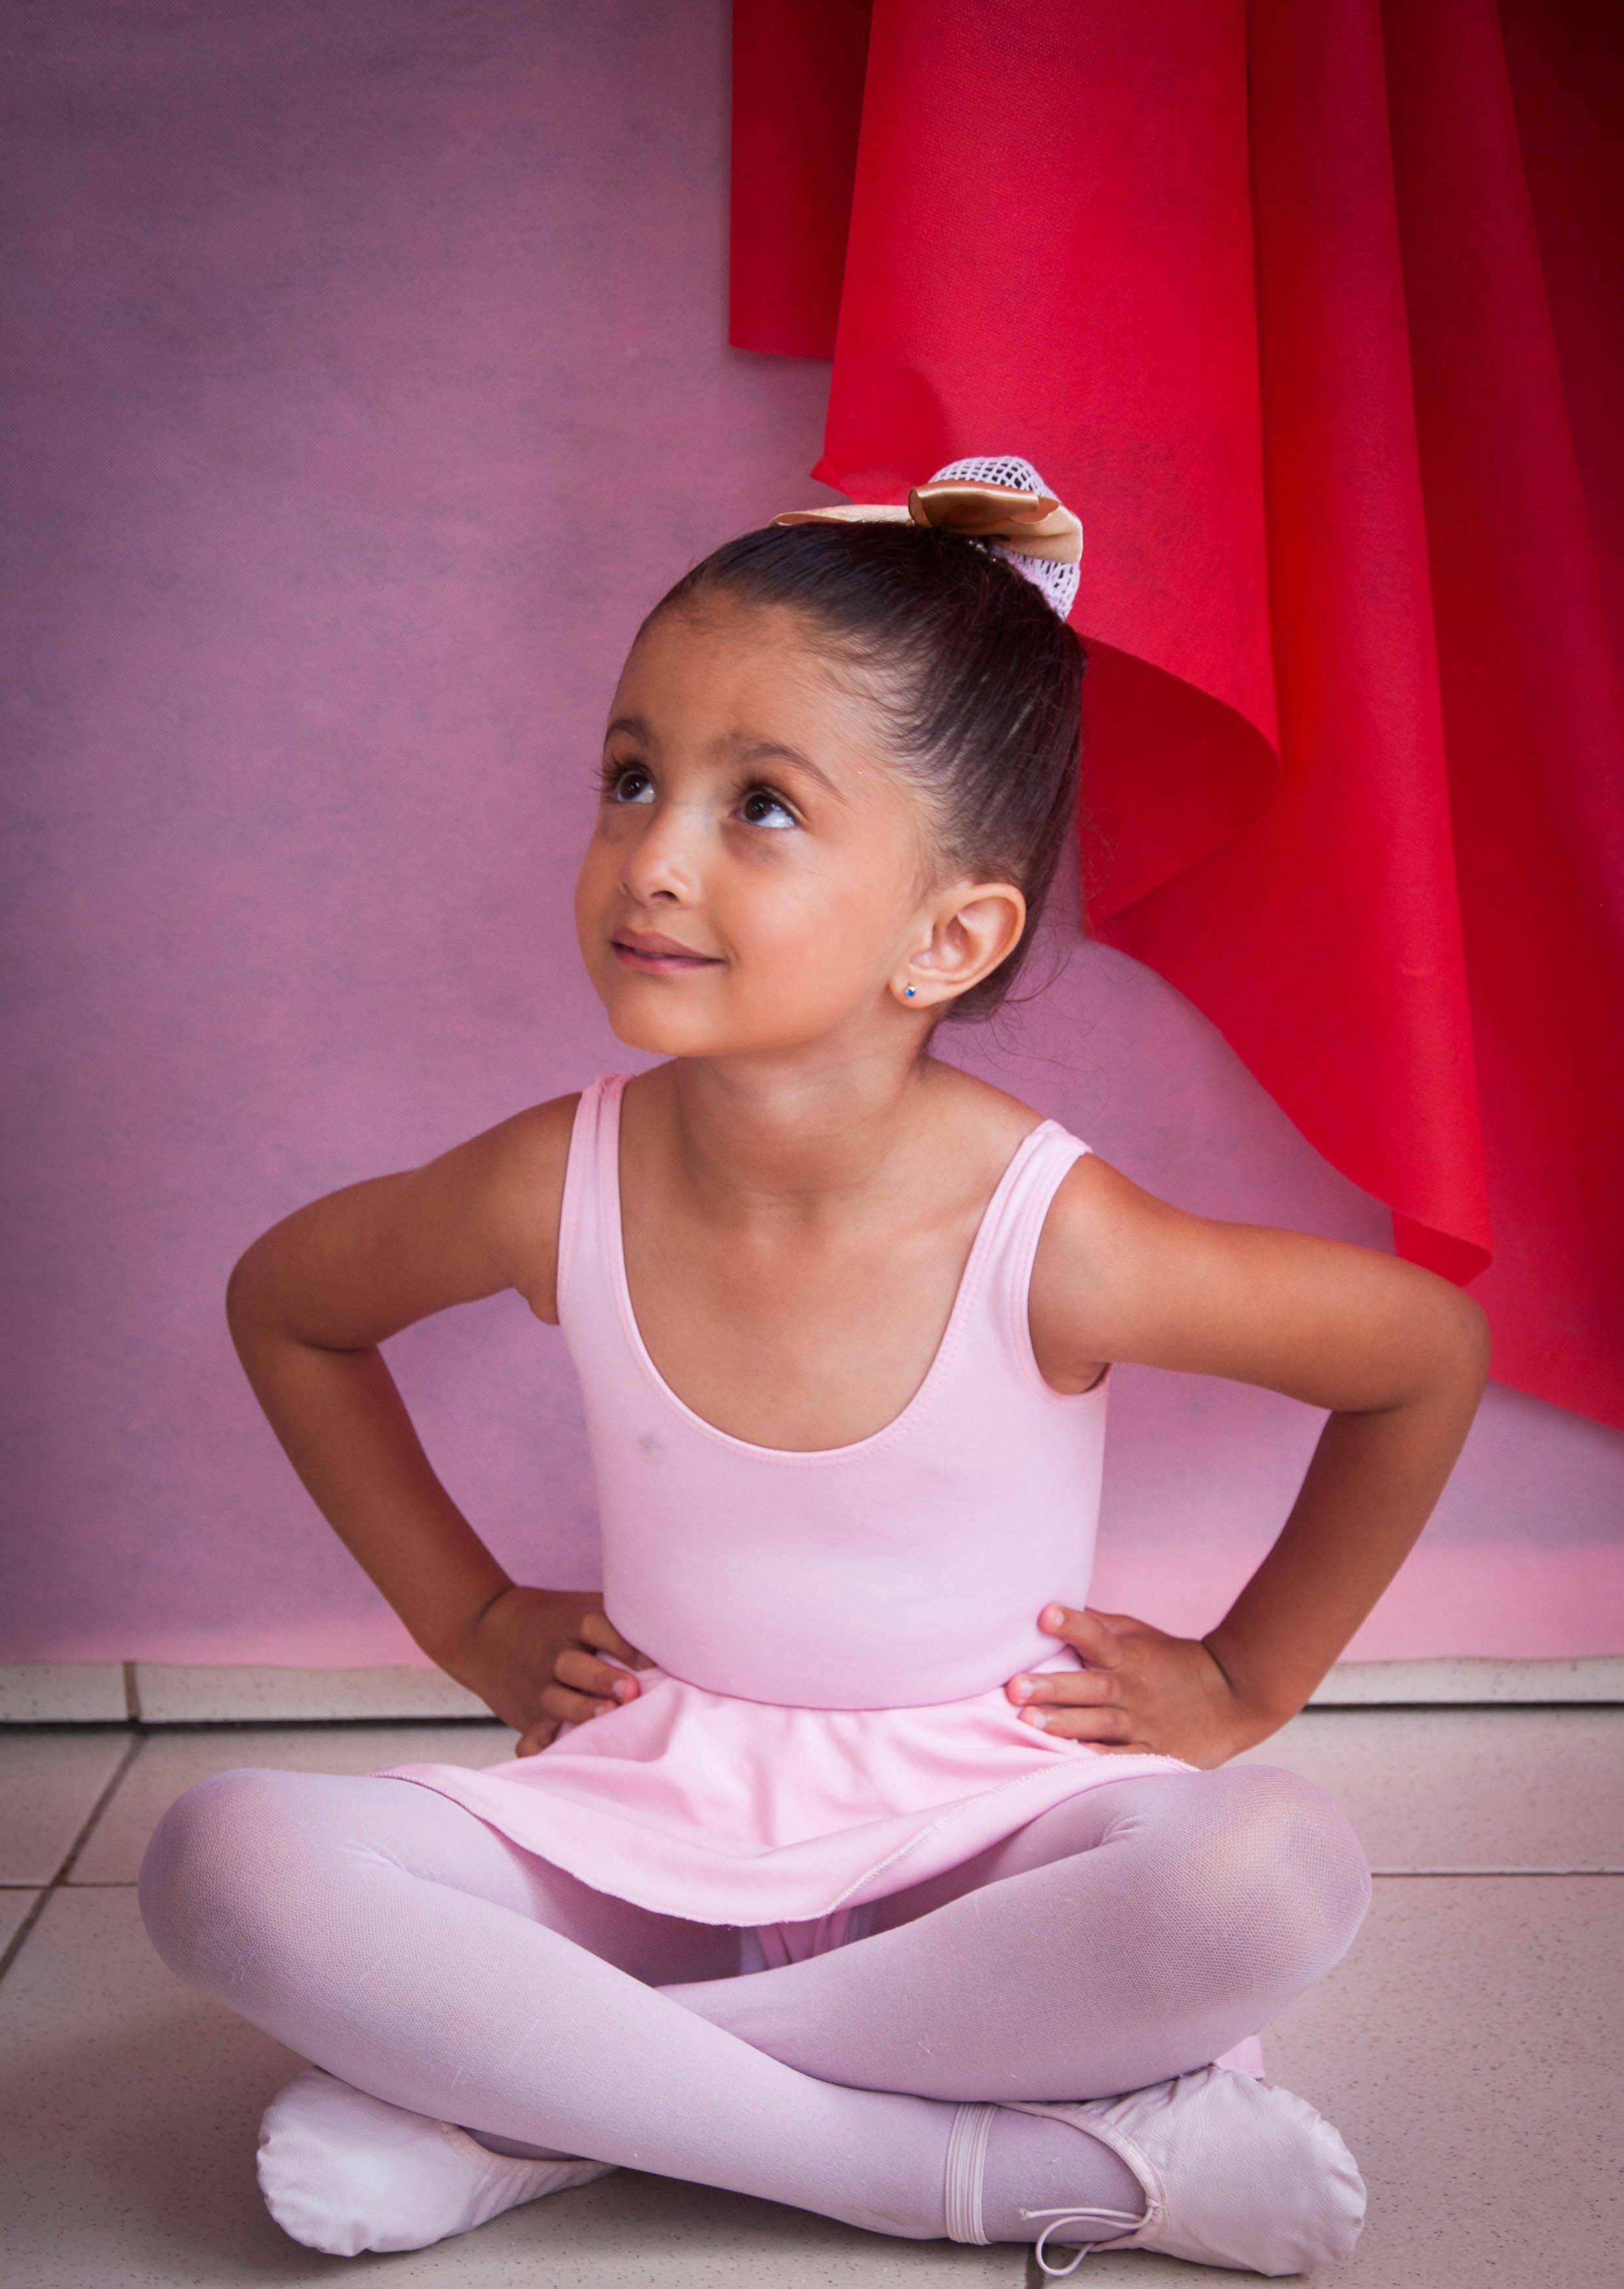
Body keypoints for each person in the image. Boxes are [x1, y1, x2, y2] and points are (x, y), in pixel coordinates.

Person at [138, 456, 1490, 2276]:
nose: (656, 853)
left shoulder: (1049, 1231)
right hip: (651, 1807)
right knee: (220, 1861)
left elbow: (1420, 1353)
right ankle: (969, 2167)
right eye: (633, 775)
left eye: (758, 803)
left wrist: (1244, 1677)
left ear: (951, 934)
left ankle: (541, 2104)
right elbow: (289, 1302)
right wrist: (468, 1623)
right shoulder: (563, 1178)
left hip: (981, 1834)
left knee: (1274, 1877)